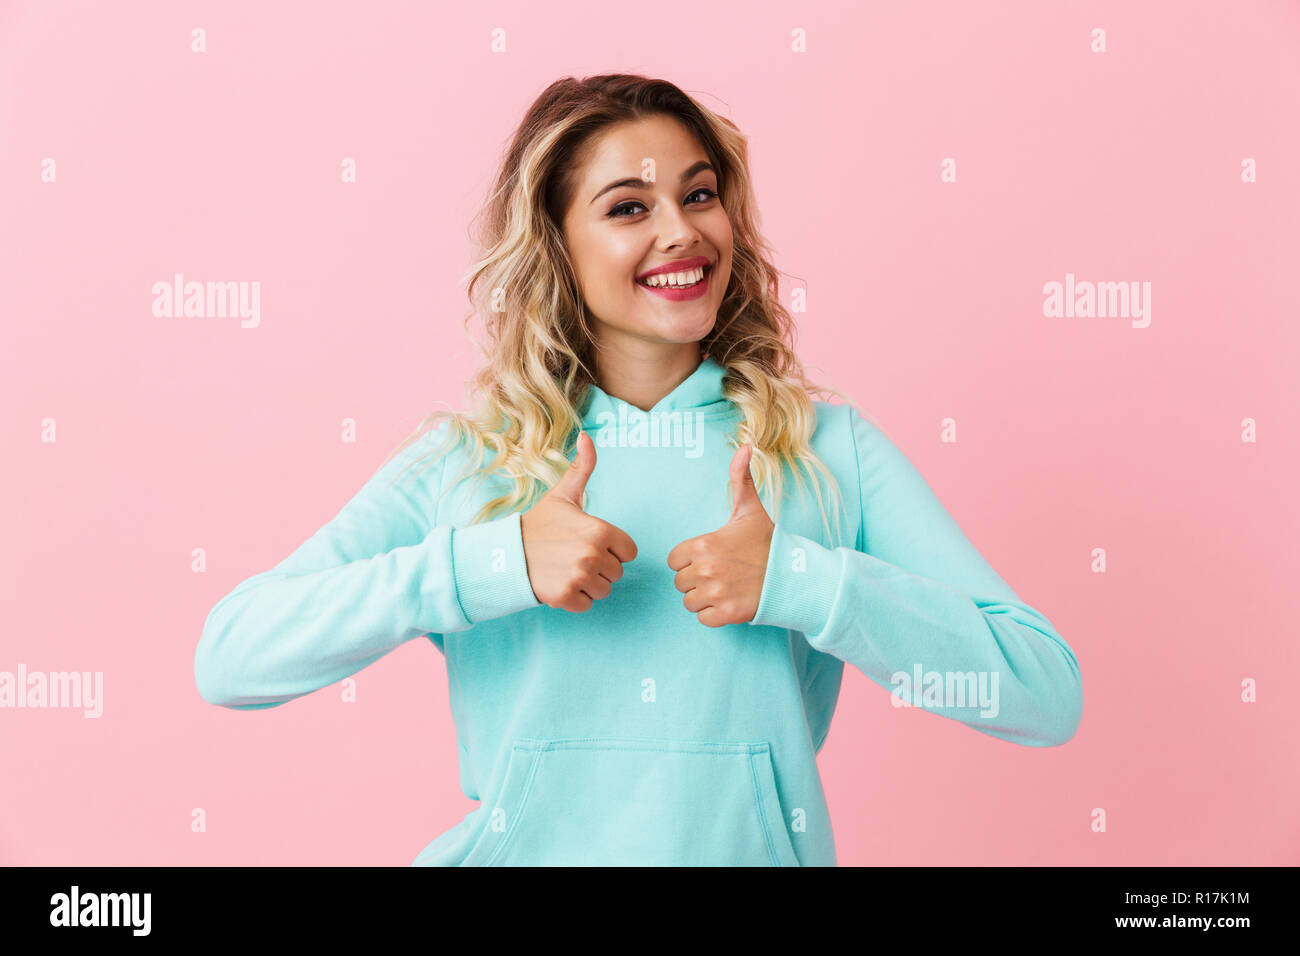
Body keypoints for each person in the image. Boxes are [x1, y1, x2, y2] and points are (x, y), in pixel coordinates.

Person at [194, 74, 1083, 866]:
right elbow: (232, 657)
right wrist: (491, 563)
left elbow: (1044, 692)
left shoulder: (824, 452)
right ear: (557, 245)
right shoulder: (472, 461)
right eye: (628, 208)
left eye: (700, 195)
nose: (681, 232)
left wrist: (802, 580)